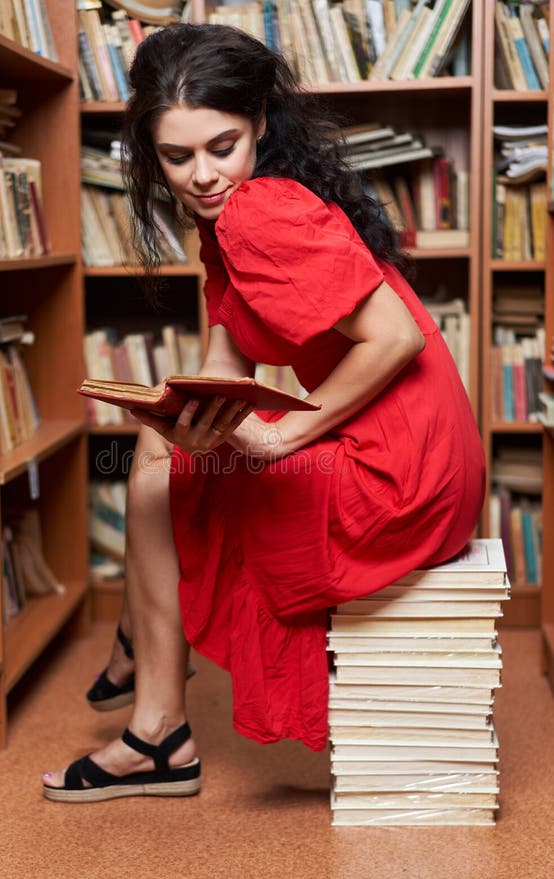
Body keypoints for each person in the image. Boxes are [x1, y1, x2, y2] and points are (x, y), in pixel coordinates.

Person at [42, 23, 485, 802]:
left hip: (398, 475)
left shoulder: (260, 213)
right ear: (151, 154)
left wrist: (284, 434)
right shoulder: (233, 220)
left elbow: (398, 338)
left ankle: (155, 718)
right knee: (155, 457)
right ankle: (151, 687)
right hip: (429, 455)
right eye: (178, 158)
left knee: (150, 485)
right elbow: (227, 363)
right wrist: (187, 418)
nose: (204, 175)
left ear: (260, 127)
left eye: (223, 146)